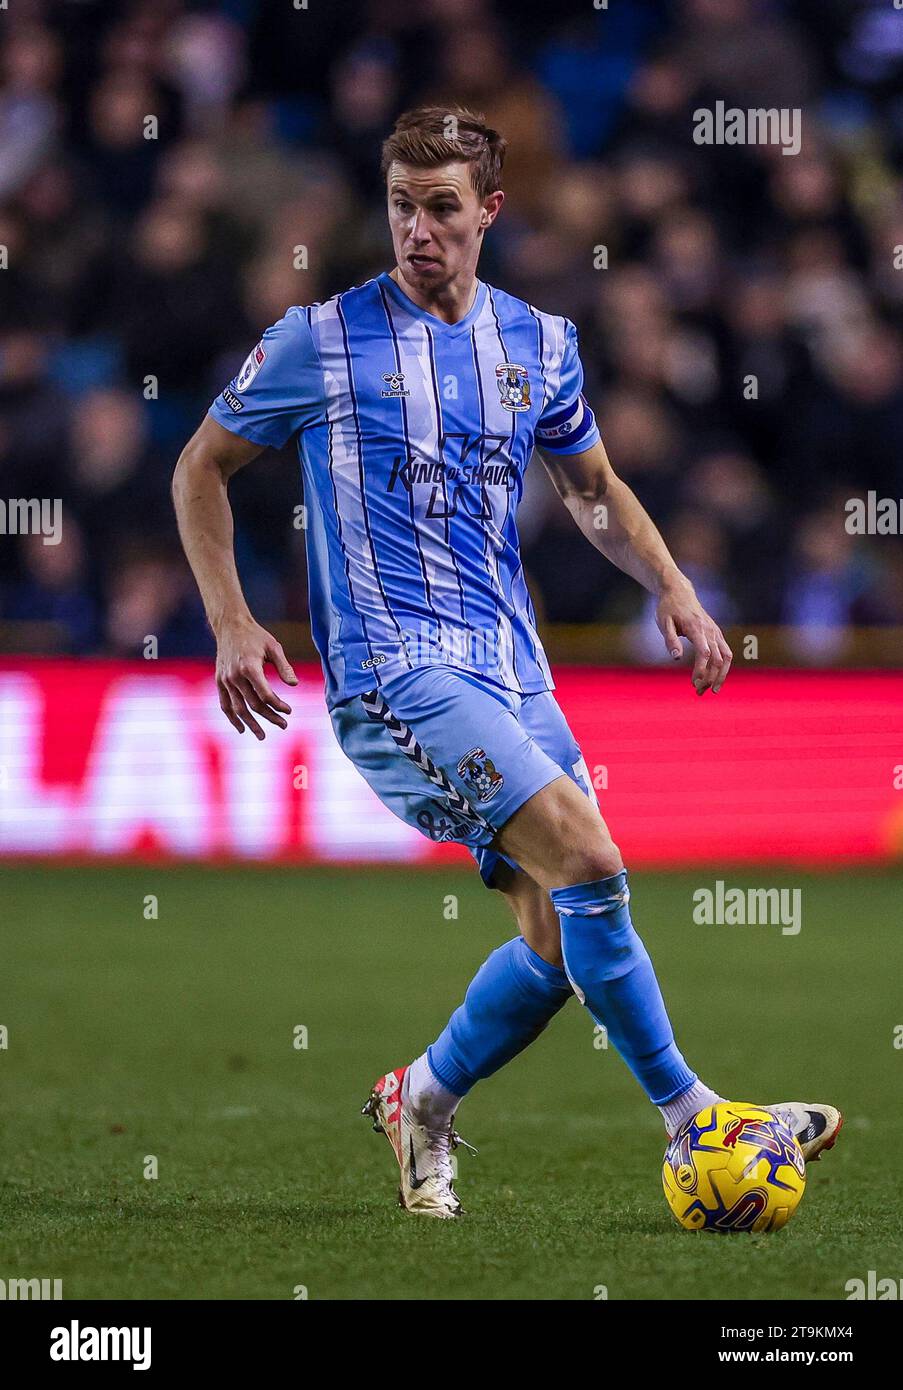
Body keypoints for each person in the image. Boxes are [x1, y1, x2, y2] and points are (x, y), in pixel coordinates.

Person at [172, 107, 841, 1218]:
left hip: (513, 667)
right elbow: (201, 466)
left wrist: (674, 587)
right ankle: (700, 1120)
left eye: (442, 209)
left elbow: (593, 491)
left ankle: (421, 1099)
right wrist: (232, 619)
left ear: (490, 210)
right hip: (397, 673)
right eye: (400, 207)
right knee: (588, 855)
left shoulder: (540, 343)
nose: (417, 231)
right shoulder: (321, 341)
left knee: (552, 933)